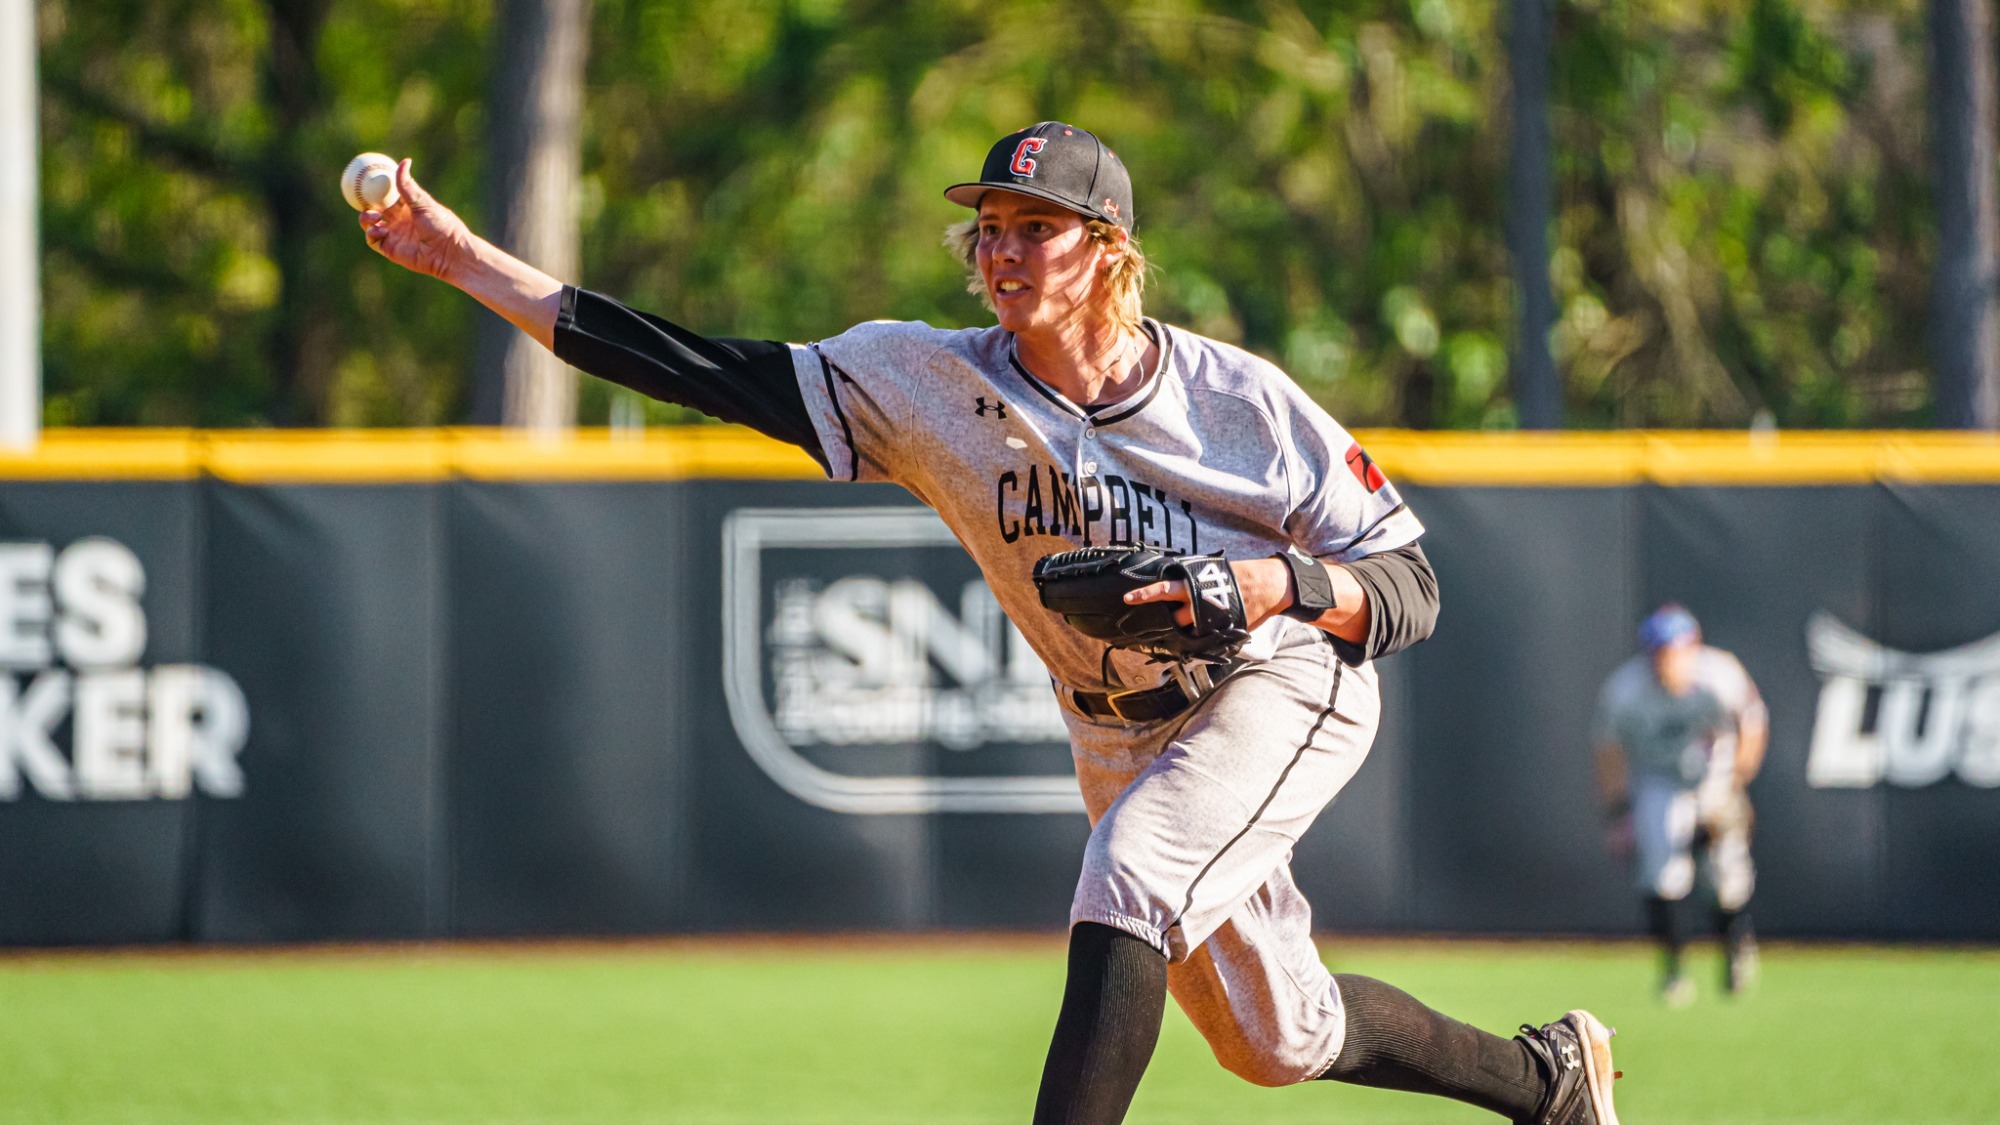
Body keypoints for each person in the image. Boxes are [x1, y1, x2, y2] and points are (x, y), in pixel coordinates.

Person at [359, 121, 1620, 1125]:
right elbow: (699, 367)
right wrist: (467, 262)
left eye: (1039, 229)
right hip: (1117, 729)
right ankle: (1545, 1083)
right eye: (991, 229)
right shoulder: (925, 380)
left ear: (1110, 251)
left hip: (1282, 680)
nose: (1004, 252)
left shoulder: (1241, 402)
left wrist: (1266, 588)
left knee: (1129, 877)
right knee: (1273, 1042)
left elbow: (1407, 590)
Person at [1595, 604, 1767, 1007]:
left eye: (1675, 650)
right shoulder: (1626, 688)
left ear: (1694, 647)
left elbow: (1753, 726)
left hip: (1715, 773)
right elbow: (1607, 750)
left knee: (1726, 875)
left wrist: (1737, 784)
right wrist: (1618, 813)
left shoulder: (1720, 675)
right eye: (1659, 652)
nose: (1667, 661)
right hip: (1657, 778)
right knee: (1662, 873)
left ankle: (1735, 947)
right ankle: (1673, 971)